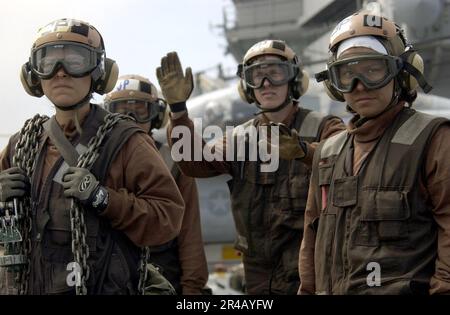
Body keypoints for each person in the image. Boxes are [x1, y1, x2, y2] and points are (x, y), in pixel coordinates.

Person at [0, 18, 184, 295]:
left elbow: (167, 219)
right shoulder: (20, 145)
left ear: (100, 71)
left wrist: (103, 198)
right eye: (48, 62)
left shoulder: (127, 142)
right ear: (34, 74)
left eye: (75, 61)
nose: (60, 73)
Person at [156, 40, 345, 294]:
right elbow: (193, 161)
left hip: (311, 271)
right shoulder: (239, 138)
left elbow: (347, 163)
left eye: (275, 73)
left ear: (294, 80)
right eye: (257, 76)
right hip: (259, 276)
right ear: (247, 87)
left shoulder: (324, 127)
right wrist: (178, 112)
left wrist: (304, 152)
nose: (266, 84)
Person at [299, 12, 450, 295]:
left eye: (373, 70)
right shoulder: (328, 153)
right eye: (347, 74)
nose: (359, 86)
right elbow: (312, 242)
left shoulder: (433, 140)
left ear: (401, 73)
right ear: (334, 85)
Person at [104, 74, 208, 294]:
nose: (130, 118)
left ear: (157, 115)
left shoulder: (174, 161)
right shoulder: (94, 160)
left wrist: (192, 292)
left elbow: (190, 235)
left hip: (163, 278)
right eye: (120, 110)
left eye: (140, 109)